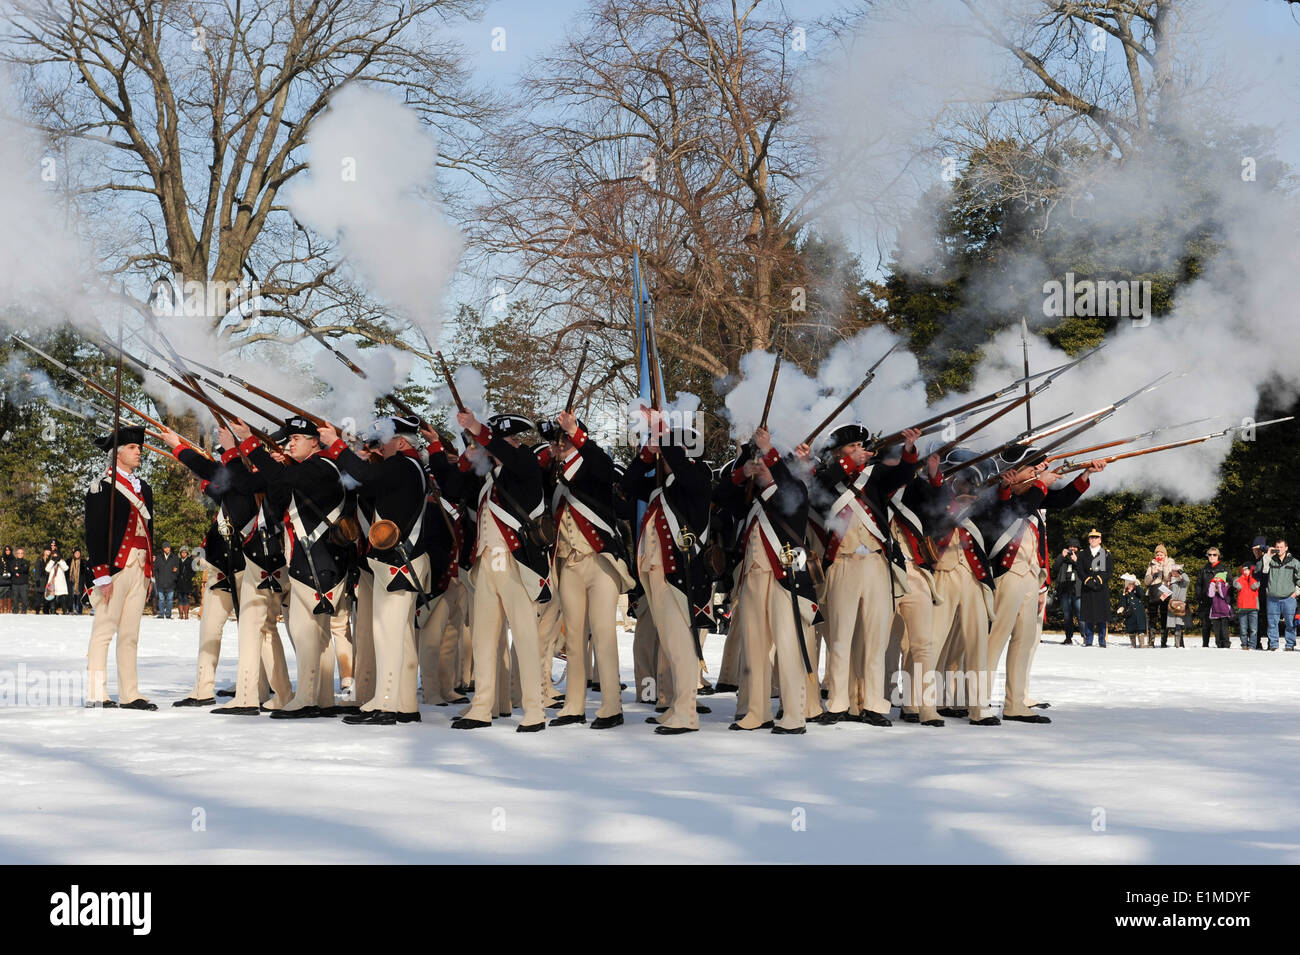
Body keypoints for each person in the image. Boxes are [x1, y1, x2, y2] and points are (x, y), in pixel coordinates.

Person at [323, 415, 434, 725]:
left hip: (399, 561)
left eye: (384, 441)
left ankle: (387, 703)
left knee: (388, 633)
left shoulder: (401, 465)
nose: (379, 447)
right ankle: (406, 703)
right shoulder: (407, 467)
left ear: (400, 442)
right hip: (400, 560)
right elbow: (368, 484)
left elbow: (366, 478)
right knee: (400, 636)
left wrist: (335, 446)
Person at [809, 424, 922, 726]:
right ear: (838, 452)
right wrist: (848, 462)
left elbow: (902, 475)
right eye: (852, 446)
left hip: (875, 562)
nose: (860, 450)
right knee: (840, 638)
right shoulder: (827, 476)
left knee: (876, 639)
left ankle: (874, 703)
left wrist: (909, 449)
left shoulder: (875, 475)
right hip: (842, 562)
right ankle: (837, 702)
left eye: (862, 445)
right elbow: (817, 489)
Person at [451, 411, 555, 733]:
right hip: (485, 564)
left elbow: (510, 457)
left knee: (524, 637)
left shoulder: (524, 464)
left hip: (517, 563)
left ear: (512, 442)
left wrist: (479, 431)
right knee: (483, 639)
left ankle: (535, 710)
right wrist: (467, 460)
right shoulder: (487, 476)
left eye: (497, 442)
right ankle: (482, 706)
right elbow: (453, 488)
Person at [239, 416, 349, 717]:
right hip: (316, 560)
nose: (290, 444)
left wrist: (249, 442)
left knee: (304, 631)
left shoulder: (322, 466)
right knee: (318, 634)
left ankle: (306, 699)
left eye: (296, 439)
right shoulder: (311, 469)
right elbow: (276, 492)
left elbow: (281, 479)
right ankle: (323, 698)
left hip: (317, 561)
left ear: (316, 441)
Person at [620, 411, 713, 735]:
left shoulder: (697, 479)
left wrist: (663, 432)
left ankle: (686, 713)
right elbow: (629, 483)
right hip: (658, 576)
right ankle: (675, 705)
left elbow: (688, 477)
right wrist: (648, 452)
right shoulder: (665, 487)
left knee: (681, 646)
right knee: (672, 647)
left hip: (680, 577)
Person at [545, 410, 634, 729]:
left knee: (604, 634)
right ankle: (573, 705)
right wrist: (553, 451)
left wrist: (577, 435)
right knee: (575, 637)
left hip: (600, 561)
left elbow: (602, 465)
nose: (561, 448)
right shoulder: (556, 475)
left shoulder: (594, 465)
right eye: (559, 443)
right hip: (569, 563)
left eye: (565, 443)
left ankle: (611, 706)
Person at [84, 425, 157, 709]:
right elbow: (94, 532)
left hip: (140, 567)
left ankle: (130, 694)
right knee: (104, 631)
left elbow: (151, 532)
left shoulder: (145, 488)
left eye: (139, 448)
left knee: (130, 635)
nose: (139, 451)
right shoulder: (102, 486)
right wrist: (100, 573)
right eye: (132, 448)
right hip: (113, 569)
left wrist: (149, 572)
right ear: (117, 454)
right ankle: (96, 693)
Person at [1261, 538, 1300, 651]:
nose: (1279, 549)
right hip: (1272, 598)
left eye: (1281, 547)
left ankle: (1290, 645)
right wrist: (1268, 554)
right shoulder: (1271, 560)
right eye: (1277, 547)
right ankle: (1273, 644)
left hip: (1289, 598)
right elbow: (1264, 570)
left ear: (1286, 548)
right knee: (1272, 623)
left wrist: (1296, 592)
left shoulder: (1294, 562)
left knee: (1290, 623)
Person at [1079, 529, 1112, 647]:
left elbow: (1109, 571)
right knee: (1088, 614)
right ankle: (1089, 639)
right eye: (1091, 538)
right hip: (1088, 588)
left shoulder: (1105, 553)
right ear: (1089, 539)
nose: (1093, 540)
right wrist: (1088, 581)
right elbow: (1080, 570)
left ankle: (1102, 639)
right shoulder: (1083, 553)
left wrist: (1098, 580)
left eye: (1096, 538)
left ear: (1100, 540)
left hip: (1101, 588)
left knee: (1102, 615)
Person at [1143, 544, 1177, 647]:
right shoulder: (1152, 564)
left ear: (1165, 555)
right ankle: (1151, 641)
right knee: (1152, 616)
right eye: (1157, 554)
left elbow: (1170, 578)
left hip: (1165, 593)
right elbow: (1146, 581)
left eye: (1161, 554)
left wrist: (1164, 567)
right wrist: (1153, 574)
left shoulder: (1171, 564)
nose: (1159, 556)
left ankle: (1163, 641)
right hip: (1153, 593)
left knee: (1164, 616)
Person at [1052, 538, 1083, 644]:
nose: (1072, 549)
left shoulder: (1081, 557)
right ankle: (1068, 637)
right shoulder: (1063, 558)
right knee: (1067, 615)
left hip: (1078, 590)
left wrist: (1076, 560)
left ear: (1078, 548)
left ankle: (1085, 637)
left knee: (1080, 614)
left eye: (1074, 547)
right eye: (1070, 547)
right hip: (1065, 590)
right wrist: (1062, 556)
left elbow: (1085, 571)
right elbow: (1055, 568)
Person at [1197, 547, 1229, 648]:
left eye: (1214, 555)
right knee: (1206, 624)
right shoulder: (1203, 570)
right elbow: (1198, 584)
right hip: (1206, 600)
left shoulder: (1224, 569)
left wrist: (1225, 596)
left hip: (1219, 600)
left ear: (1218, 556)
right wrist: (1199, 597)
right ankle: (1205, 644)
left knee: (1220, 624)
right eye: (1209, 555)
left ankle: (1221, 643)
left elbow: (1230, 583)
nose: (1212, 557)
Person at [1206, 562, 1233, 648]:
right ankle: (1218, 643)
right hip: (1215, 611)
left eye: (1218, 578)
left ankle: (1226, 643)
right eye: (1215, 578)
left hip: (1224, 611)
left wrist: (1220, 586)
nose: (1216, 580)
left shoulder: (1225, 586)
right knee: (1217, 629)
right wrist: (1212, 585)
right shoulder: (1213, 586)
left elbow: (1223, 595)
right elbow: (1210, 595)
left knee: (1224, 629)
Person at [1234, 564, 1260, 650]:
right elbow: (1238, 586)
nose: (1246, 572)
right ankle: (1244, 644)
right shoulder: (1239, 579)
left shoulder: (1254, 580)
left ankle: (1252, 645)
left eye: (1248, 570)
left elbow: (1254, 586)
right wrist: (1242, 577)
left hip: (1253, 608)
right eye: (1244, 570)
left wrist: (1251, 577)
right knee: (1243, 629)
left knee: (1253, 629)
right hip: (1242, 607)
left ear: (1251, 571)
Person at [1117, 574, 1146, 647]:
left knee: (1140, 629)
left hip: (1139, 613)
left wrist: (1137, 586)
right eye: (1128, 584)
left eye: (1131, 584)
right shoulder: (1125, 592)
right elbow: (1123, 601)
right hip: (1130, 614)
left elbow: (1142, 595)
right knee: (1131, 629)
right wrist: (1122, 607)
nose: (1129, 586)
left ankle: (1141, 643)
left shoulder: (1137, 590)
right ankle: (1133, 644)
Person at [152, 544, 180, 619]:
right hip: (160, 582)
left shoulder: (174, 558)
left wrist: (173, 577)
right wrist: (157, 579)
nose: (167, 549)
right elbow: (155, 569)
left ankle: (168, 614)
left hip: (171, 582)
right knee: (161, 599)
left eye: (168, 547)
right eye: (165, 547)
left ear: (170, 548)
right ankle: (161, 614)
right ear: (163, 549)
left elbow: (177, 570)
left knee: (170, 599)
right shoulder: (159, 557)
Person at [1165, 564, 1190, 648]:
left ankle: (1178, 645)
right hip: (1172, 606)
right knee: (1173, 626)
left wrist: (1181, 571)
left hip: (1180, 606)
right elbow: (1165, 596)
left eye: (1177, 571)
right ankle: (1177, 643)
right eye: (1173, 571)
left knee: (1178, 625)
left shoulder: (1183, 583)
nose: (1175, 573)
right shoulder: (1170, 583)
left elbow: (1187, 579)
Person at [45, 547, 70, 614]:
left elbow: (66, 568)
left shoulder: (62, 561)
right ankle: (53, 610)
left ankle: (65, 611)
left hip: (61, 583)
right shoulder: (50, 561)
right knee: (52, 598)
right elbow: (47, 569)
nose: (55, 556)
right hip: (52, 583)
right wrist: (52, 561)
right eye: (54, 555)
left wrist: (59, 561)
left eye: (56, 555)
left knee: (63, 598)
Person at [67, 548, 90, 615]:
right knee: (71, 597)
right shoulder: (69, 561)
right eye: (76, 553)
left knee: (79, 597)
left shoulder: (83, 562)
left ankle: (79, 610)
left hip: (80, 582)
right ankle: (71, 609)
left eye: (78, 553)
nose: (77, 554)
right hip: (71, 581)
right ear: (73, 554)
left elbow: (86, 573)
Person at [176, 547, 195, 620]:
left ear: (187, 553)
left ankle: (186, 614)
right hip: (179, 582)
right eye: (182, 552)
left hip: (187, 582)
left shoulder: (191, 561)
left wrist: (188, 577)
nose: (183, 554)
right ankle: (181, 614)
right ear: (180, 553)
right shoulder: (178, 561)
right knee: (180, 598)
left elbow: (193, 572)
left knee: (186, 598)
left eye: (185, 552)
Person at [10, 547, 30, 613]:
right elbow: (12, 571)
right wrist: (20, 569)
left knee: (24, 600)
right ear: (16, 554)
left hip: (24, 584)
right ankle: (15, 612)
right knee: (15, 600)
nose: (20, 554)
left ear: (23, 554)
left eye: (21, 553)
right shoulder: (13, 562)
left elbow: (25, 569)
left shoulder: (26, 562)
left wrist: (17, 569)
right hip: (15, 584)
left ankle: (24, 612)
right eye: (19, 553)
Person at [0, 545, 12, 613]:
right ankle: (1, 610)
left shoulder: (13, 558)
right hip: (2, 580)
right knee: (1, 594)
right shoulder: (1, 558)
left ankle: (8, 610)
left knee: (9, 595)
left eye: (9, 550)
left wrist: (10, 573)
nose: (7, 551)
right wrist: (2, 573)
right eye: (6, 550)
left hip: (10, 580)